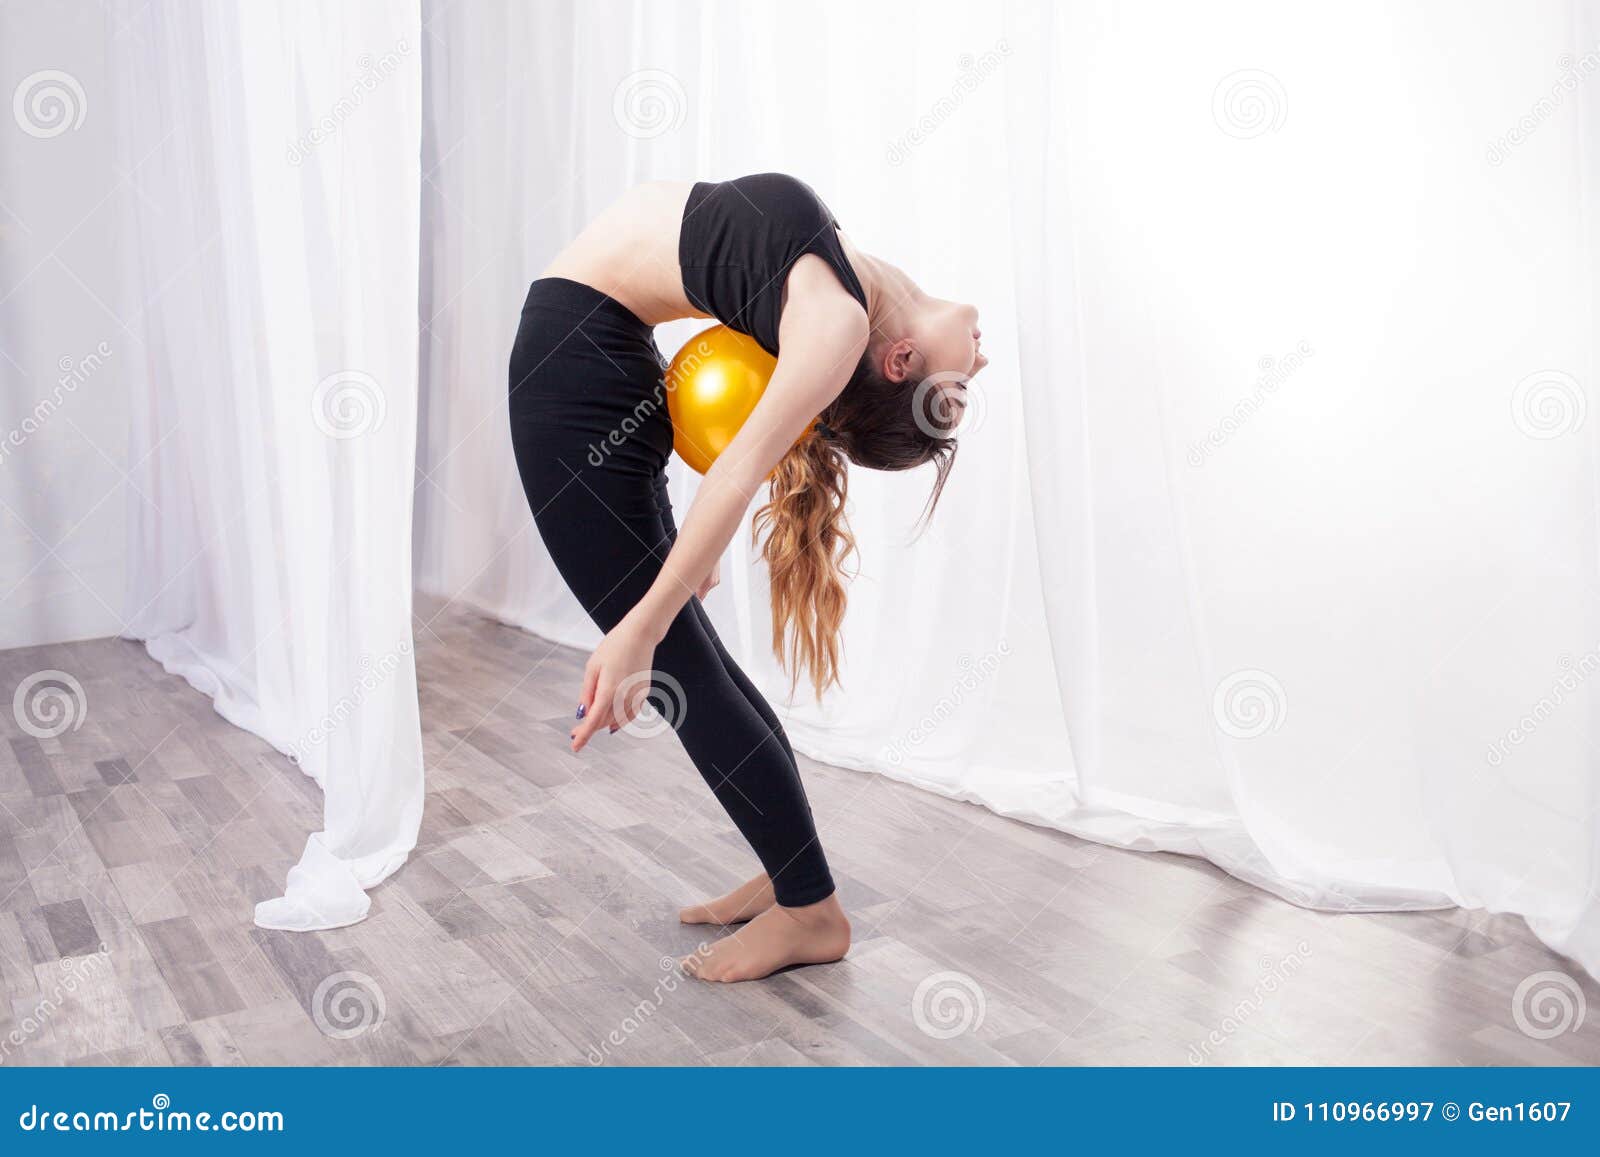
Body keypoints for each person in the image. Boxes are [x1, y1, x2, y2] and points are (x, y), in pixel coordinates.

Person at [508, 173, 986, 982]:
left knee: (682, 666)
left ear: (900, 360)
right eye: (965, 387)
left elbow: (736, 472)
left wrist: (640, 628)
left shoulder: (839, 321)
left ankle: (809, 910)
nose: (979, 363)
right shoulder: (849, 291)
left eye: (962, 386)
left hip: (575, 378)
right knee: (696, 662)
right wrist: (672, 581)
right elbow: (735, 414)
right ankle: (787, 870)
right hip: (599, 360)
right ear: (899, 354)